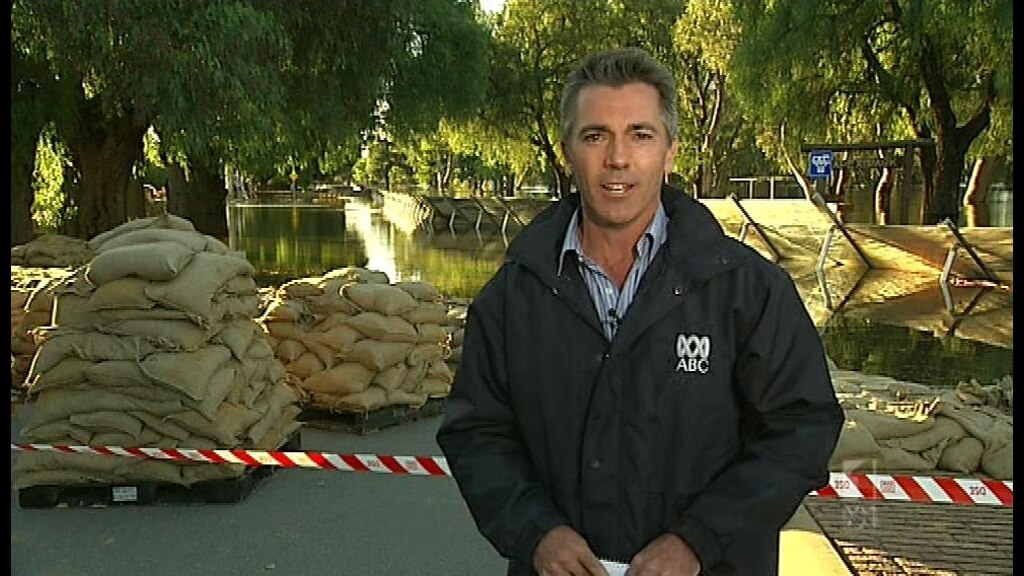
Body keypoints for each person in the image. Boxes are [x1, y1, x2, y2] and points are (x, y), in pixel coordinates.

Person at [436, 46, 844, 576]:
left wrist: (700, 541)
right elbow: (477, 433)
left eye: (640, 134)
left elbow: (803, 429)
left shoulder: (746, 289)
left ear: (671, 152)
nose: (618, 158)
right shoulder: (512, 297)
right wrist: (536, 532)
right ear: (568, 151)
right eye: (596, 135)